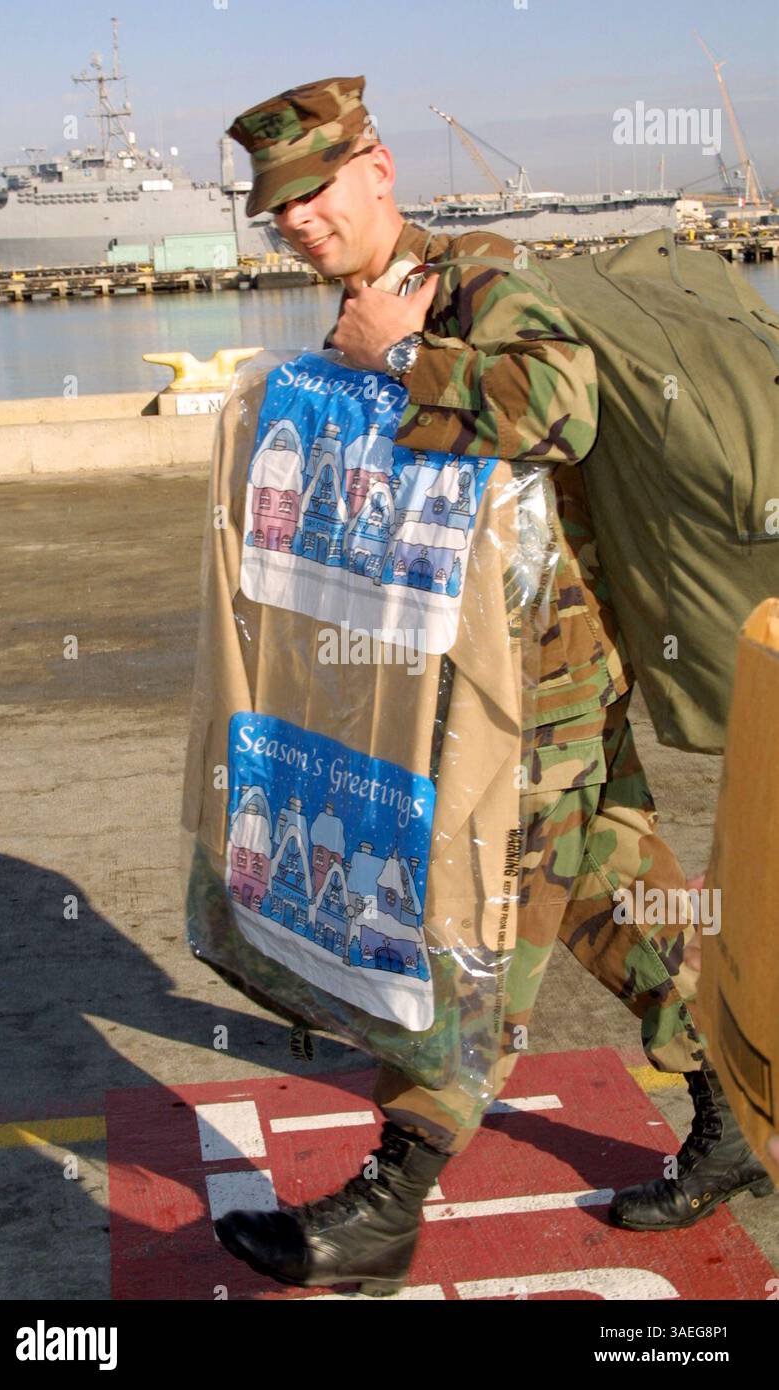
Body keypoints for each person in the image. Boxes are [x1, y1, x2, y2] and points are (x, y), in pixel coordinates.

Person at [213, 76, 772, 1294]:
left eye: (315, 189)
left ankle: (392, 1197)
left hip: (534, 687)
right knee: (615, 892)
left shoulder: (471, 279)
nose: (300, 219)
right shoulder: (351, 320)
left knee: (465, 926)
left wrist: (407, 356)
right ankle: (737, 1112)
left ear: (378, 170)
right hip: (472, 682)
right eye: (279, 208)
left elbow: (561, 409)